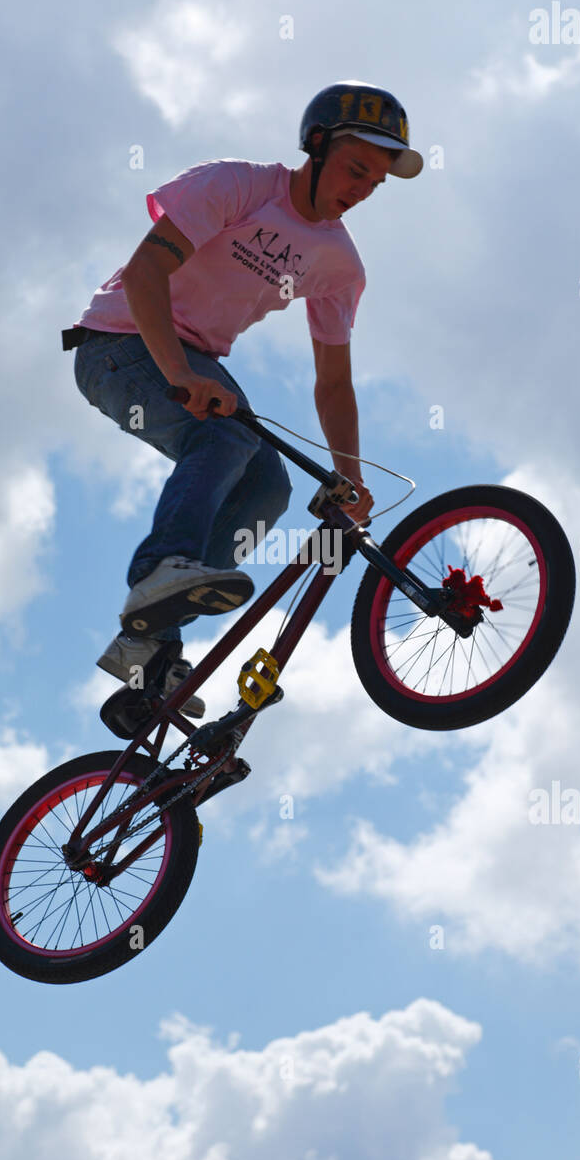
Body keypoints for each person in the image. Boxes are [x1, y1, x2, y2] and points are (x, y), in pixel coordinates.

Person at [65, 80, 423, 717]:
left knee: (268, 490)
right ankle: (160, 569)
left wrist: (349, 480)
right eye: (355, 168)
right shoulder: (235, 186)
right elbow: (147, 271)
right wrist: (179, 374)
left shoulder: (339, 266)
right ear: (316, 145)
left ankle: (146, 648)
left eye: (377, 182)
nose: (363, 188)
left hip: (194, 359)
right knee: (226, 434)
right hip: (117, 342)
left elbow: (334, 383)